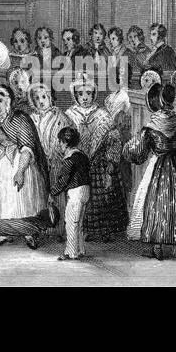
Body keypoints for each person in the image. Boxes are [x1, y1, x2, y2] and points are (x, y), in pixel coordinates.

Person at [124, 81, 176, 259]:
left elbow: (136, 151)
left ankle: (157, 247)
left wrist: (128, 151)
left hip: (158, 167)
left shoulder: (151, 127)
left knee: (156, 204)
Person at [0, 84, 53, 249]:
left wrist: (20, 171)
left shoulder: (20, 118)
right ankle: (5, 233)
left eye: (1, 101)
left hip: (20, 162)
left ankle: (29, 233)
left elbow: (27, 148)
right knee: (2, 200)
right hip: (0, 163)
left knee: (22, 201)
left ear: (8, 101)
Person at [64, 73, 127, 241]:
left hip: (99, 163)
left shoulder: (102, 114)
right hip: (79, 163)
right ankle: (84, 229)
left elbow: (114, 139)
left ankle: (105, 230)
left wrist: (111, 161)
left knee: (104, 197)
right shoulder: (70, 115)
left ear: (94, 94)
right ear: (75, 95)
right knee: (82, 197)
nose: (85, 98)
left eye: (88, 93)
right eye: (81, 94)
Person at [27, 83, 71, 240]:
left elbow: (65, 139)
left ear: (50, 98)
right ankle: (40, 229)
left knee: (57, 196)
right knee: (39, 196)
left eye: (43, 97)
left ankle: (60, 230)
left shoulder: (60, 117)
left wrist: (53, 154)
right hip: (38, 163)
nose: (40, 101)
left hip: (55, 162)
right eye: (36, 98)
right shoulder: (31, 119)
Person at [50, 127, 90, 261]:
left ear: (66, 143)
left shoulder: (69, 159)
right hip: (86, 191)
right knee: (79, 223)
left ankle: (71, 253)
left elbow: (63, 180)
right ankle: (81, 249)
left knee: (71, 223)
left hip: (75, 193)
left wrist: (53, 192)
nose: (59, 145)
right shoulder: (82, 156)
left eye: (60, 142)